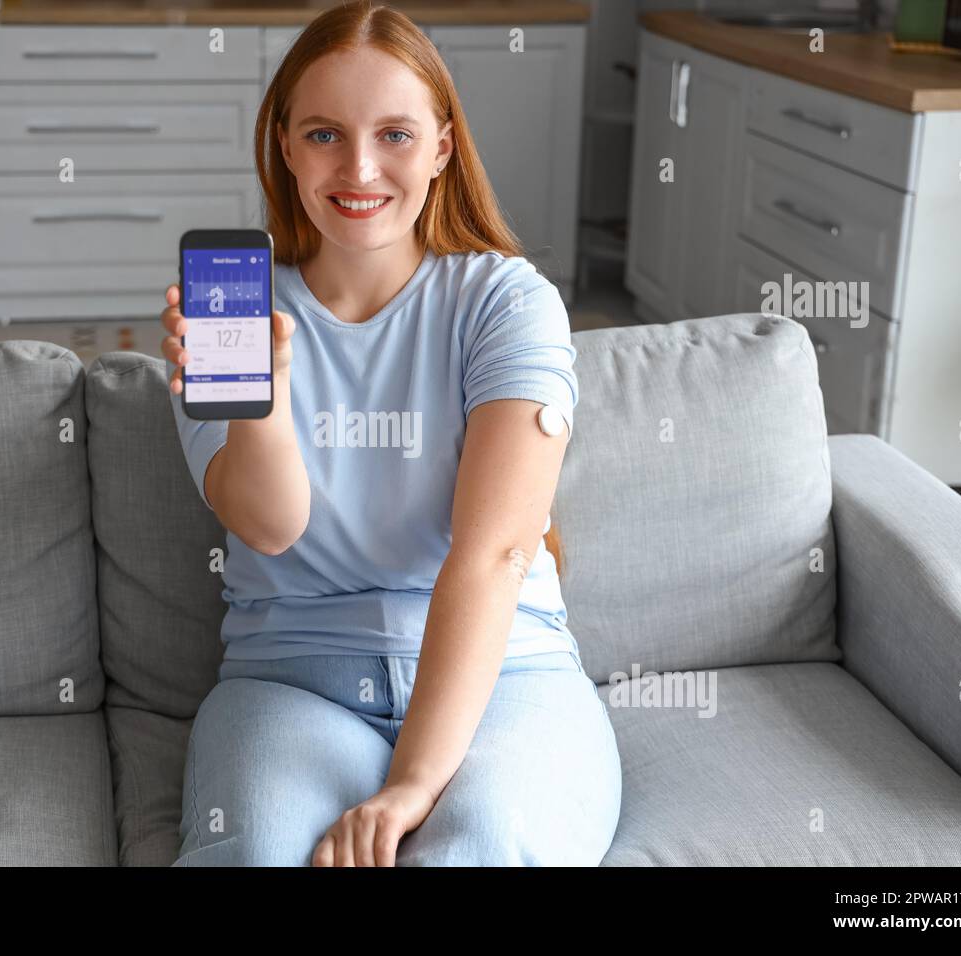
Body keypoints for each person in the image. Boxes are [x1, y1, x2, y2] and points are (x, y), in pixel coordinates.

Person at [160, 0, 621, 866]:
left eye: (397, 135)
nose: (360, 166)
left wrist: (412, 785)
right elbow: (269, 527)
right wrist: (265, 398)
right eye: (326, 134)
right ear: (286, 145)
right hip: (292, 682)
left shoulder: (506, 304)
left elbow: (495, 554)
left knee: (477, 849)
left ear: (443, 147)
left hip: (507, 681)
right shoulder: (230, 313)